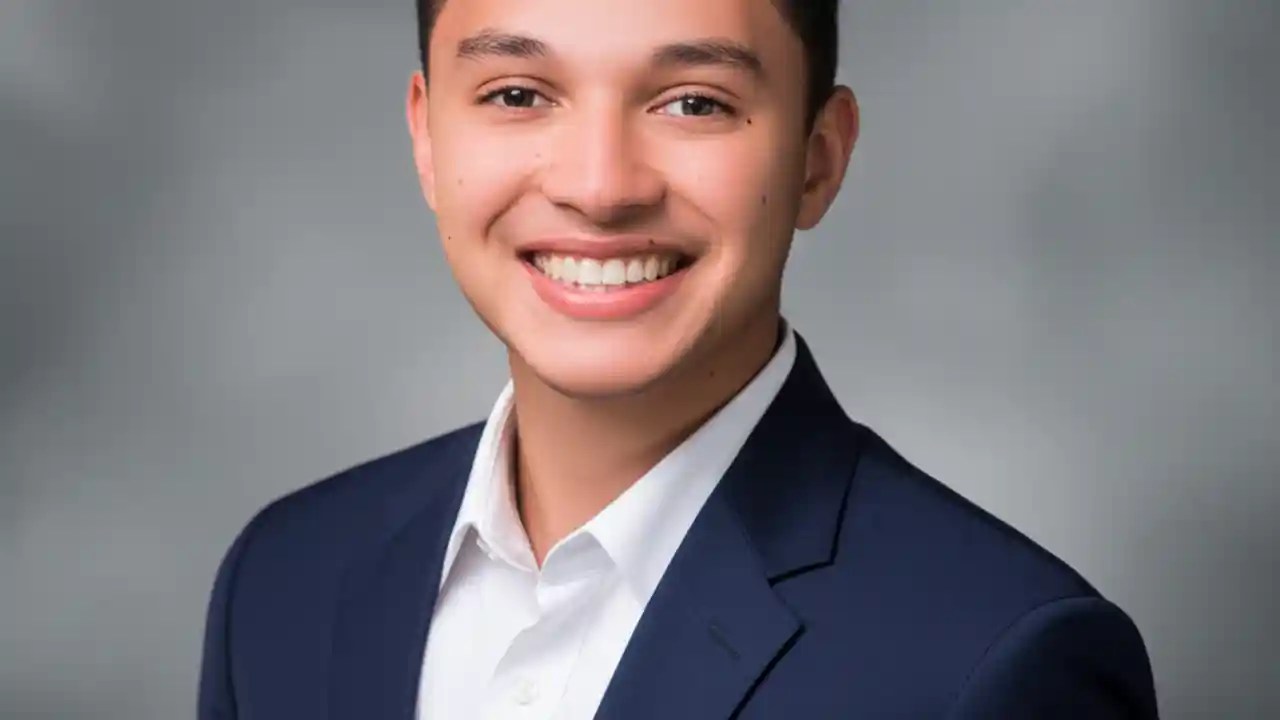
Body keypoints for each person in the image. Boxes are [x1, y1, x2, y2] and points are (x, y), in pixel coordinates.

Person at [198, 0, 1160, 717]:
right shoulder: (282, 579)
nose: (599, 186)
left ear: (818, 159)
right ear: (426, 136)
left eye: (694, 102)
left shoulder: (998, 662)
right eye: (518, 94)